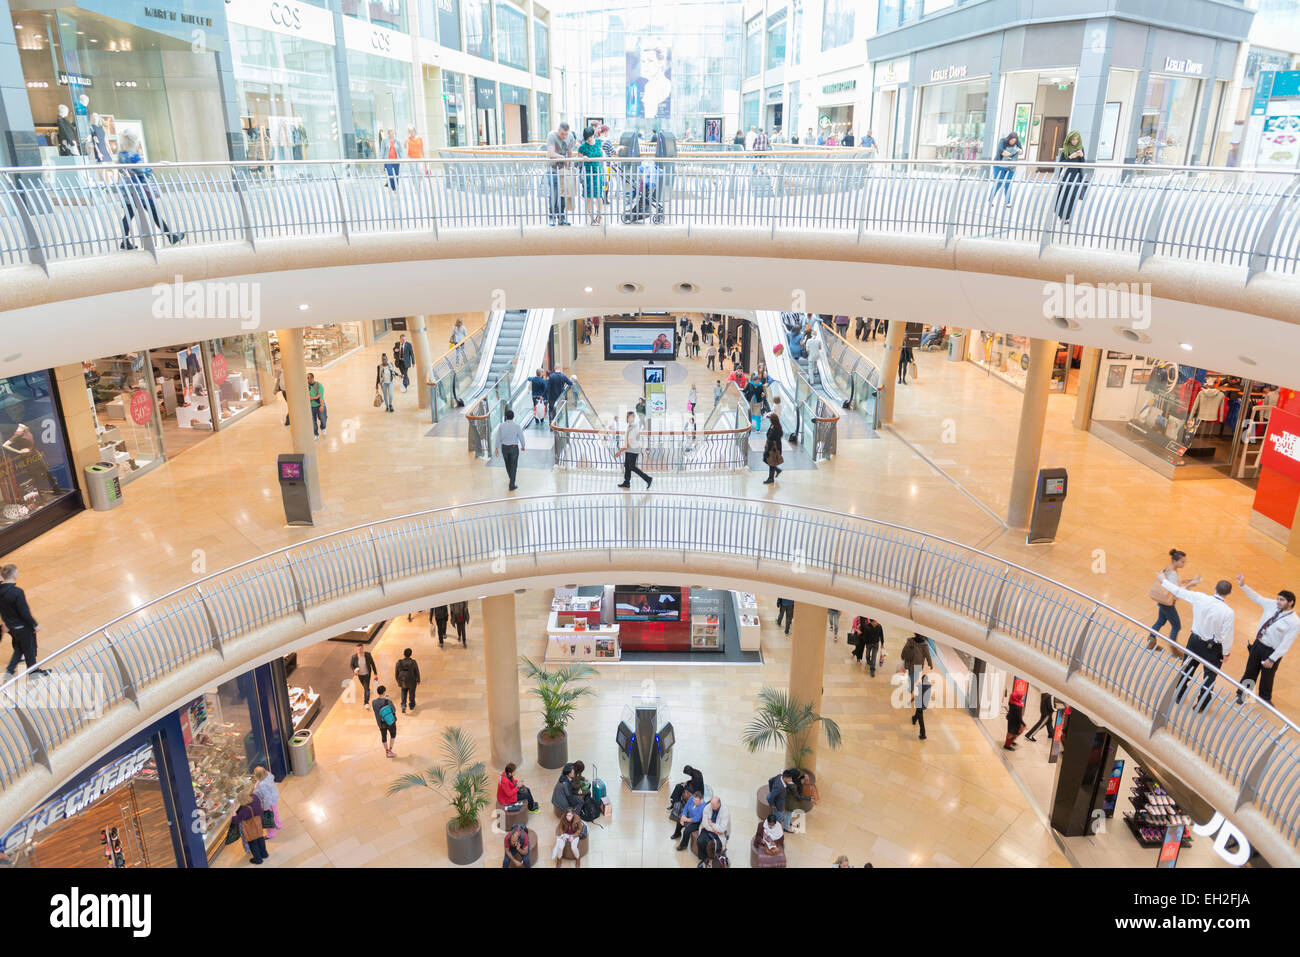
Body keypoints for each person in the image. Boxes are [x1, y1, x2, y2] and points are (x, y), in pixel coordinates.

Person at [1160, 577, 1234, 712]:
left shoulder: (1200, 597)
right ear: (1228, 593)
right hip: (1213, 648)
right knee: (1209, 676)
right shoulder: (1228, 612)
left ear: (1214, 588)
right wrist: (1226, 653)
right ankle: (1202, 704)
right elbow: (1227, 635)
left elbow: (1179, 592)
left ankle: (1179, 694)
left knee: (1187, 668)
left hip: (1194, 641)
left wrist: (1164, 581)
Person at [1234, 574, 1298, 705]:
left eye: (1282, 600)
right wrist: (1243, 586)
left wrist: (1272, 659)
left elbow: (1286, 644)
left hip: (1272, 651)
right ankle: (1244, 695)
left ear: (1290, 602)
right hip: (1258, 644)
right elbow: (1256, 597)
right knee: (1250, 671)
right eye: (1278, 599)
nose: (1278, 602)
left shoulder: (1295, 622)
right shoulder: (1271, 605)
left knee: (1267, 676)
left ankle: (1265, 699)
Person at [116, 132, 184, 248]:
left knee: (127, 216)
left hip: (127, 189)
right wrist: (158, 165)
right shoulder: (134, 156)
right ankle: (171, 237)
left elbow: (122, 170)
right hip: (141, 190)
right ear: (134, 142)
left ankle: (125, 242)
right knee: (154, 213)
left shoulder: (120, 155)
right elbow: (144, 171)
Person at [0, 565, 45, 678]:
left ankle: (9, 672)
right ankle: (33, 673)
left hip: (11, 626)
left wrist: (5, 623)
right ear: (14, 575)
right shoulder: (17, 592)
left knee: (20, 648)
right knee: (28, 649)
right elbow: (24, 612)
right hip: (22, 627)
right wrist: (34, 624)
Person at [1150, 548, 1199, 650]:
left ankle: (1151, 641)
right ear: (1174, 561)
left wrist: (1185, 581)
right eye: (1182, 561)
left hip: (1161, 601)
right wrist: (1189, 585)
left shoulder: (1169, 568)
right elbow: (1176, 592)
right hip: (1168, 603)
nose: (1184, 564)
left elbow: (1172, 583)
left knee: (1161, 621)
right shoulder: (1173, 574)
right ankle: (1173, 649)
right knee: (1176, 626)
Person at [545, 122, 575, 226]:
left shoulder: (570, 136)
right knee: (554, 194)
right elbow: (550, 153)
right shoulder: (551, 135)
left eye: (566, 134)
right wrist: (563, 158)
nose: (564, 136)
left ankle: (561, 218)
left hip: (564, 171)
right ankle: (552, 217)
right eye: (562, 134)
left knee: (563, 194)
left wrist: (569, 167)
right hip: (552, 169)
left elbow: (570, 152)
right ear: (558, 130)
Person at [1055, 131, 1087, 225]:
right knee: (1064, 196)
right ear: (1069, 139)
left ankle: (1068, 216)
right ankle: (1062, 216)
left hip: (1076, 175)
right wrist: (1070, 157)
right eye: (1073, 139)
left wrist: (1082, 156)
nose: (1075, 141)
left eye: (1077, 139)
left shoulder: (1081, 148)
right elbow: (1061, 163)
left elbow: (1083, 164)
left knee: (1073, 196)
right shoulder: (1066, 149)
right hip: (1066, 175)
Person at [616, 410, 653, 490]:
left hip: (633, 450)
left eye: (628, 417)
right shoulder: (630, 426)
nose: (627, 418)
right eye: (626, 417)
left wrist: (620, 451)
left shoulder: (634, 428)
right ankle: (626, 482)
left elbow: (628, 444)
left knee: (632, 467)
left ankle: (648, 479)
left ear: (632, 418)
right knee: (627, 466)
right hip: (629, 450)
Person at [577, 126, 604, 225]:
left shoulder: (598, 142)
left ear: (593, 135)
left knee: (598, 196)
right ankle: (592, 219)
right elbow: (578, 156)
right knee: (589, 196)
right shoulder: (583, 147)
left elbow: (601, 153)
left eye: (590, 137)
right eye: (587, 138)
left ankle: (599, 217)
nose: (589, 140)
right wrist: (583, 157)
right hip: (588, 174)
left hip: (597, 173)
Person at [232, 790, 268, 864]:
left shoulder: (244, 810)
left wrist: (233, 810)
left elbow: (235, 820)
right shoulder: (255, 797)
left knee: (253, 843)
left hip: (250, 829)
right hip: (258, 822)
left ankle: (258, 859)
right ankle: (264, 854)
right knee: (260, 838)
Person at [988, 131, 1023, 207]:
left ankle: (1008, 202)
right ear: (1009, 138)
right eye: (1011, 140)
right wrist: (1012, 152)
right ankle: (990, 200)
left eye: (1014, 141)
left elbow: (1021, 151)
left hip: (1011, 167)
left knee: (1008, 184)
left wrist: (1020, 151)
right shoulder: (1003, 141)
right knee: (998, 183)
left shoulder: (1017, 142)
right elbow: (1001, 151)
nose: (1013, 142)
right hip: (999, 166)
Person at [495, 408, 526, 491]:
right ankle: (512, 483)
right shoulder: (517, 426)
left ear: (505, 417)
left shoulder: (501, 426)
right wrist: (523, 445)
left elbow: (498, 437)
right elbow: (521, 437)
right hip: (514, 448)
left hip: (504, 448)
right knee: (513, 465)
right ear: (513, 417)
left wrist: (496, 447)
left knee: (507, 464)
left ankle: (511, 478)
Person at [696, 795, 731, 863]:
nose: (711, 806)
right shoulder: (707, 807)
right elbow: (705, 823)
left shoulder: (725, 811)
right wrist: (713, 830)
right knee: (700, 841)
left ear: (719, 804)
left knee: (715, 846)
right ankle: (703, 859)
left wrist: (712, 824)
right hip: (708, 830)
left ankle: (713, 860)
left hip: (719, 834)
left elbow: (722, 828)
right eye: (711, 803)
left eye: (713, 804)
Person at [252, 766, 281, 838]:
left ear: (258, 776)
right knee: (275, 813)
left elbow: (266, 797)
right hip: (273, 799)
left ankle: (271, 834)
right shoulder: (268, 775)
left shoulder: (262, 785)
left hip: (268, 803)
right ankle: (278, 825)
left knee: (268, 818)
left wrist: (265, 807)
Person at [372, 684, 398, 757]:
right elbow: (394, 710)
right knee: (393, 735)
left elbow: (376, 711)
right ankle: (390, 750)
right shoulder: (388, 701)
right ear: (384, 692)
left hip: (381, 723)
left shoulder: (374, 702)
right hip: (390, 722)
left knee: (384, 737)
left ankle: (387, 751)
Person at [394, 647, 421, 713]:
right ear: (411, 654)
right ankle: (411, 705)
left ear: (404, 654)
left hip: (403, 681)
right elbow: (416, 671)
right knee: (412, 693)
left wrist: (398, 680)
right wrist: (418, 679)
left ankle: (403, 705)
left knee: (403, 691)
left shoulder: (399, 662)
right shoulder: (413, 662)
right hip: (412, 680)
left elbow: (396, 672)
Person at [762, 411, 784, 485]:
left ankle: (771, 478)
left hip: (773, 449)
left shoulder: (775, 429)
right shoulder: (773, 426)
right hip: (771, 447)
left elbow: (771, 438)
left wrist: (767, 451)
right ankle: (777, 470)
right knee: (768, 461)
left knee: (770, 461)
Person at [911, 671, 931, 740]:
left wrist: (911, 700)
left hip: (920, 704)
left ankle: (923, 734)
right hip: (925, 703)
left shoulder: (920, 687)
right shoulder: (929, 685)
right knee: (918, 713)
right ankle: (914, 718)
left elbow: (916, 695)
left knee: (921, 720)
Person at [306, 372, 326, 437]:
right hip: (311, 407)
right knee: (313, 421)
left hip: (320, 404)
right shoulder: (306, 387)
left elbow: (321, 396)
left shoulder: (318, 385)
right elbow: (306, 398)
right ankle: (316, 434)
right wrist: (315, 397)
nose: (308, 379)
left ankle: (323, 428)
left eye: (308, 378)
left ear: (312, 378)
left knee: (323, 419)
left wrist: (321, 405)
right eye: (307, 378)